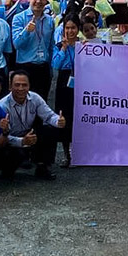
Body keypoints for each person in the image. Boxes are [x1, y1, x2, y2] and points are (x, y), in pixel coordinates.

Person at [0, 70, 66, 181]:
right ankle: (8, 168)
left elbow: (49, 116)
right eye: (17, 85)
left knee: (49, 129)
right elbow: (0, 136)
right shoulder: (2, 105)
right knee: (9, 161)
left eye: (24, 85)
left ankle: (42, 166)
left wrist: (58, 121)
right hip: (11, 140)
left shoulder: (35, 98)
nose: (21, 88)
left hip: (29, 135)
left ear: (29, 86)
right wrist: (22, 141)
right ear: (10, 87)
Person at [11, 0, 56, 98]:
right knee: (23, 101)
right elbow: (16, 45)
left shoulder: (50, 21)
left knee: (42, 101)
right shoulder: (19, 18)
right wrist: (26, 31)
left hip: (43, 68)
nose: (38, 1)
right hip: (25, 68)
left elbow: (51, 47)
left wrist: (50, 68)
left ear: (46, 0)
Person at [52, 16, 79, 167]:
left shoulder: (83, 45)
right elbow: (55, 64)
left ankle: (78, 153)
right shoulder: (58, 46)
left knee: (77, 116)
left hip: (80, 81)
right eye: (67, 28)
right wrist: (63, 49)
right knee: (64, 115)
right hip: (64, 82)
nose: (70, 31)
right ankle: (66, 154)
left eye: (73, 28)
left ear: (78, 29)